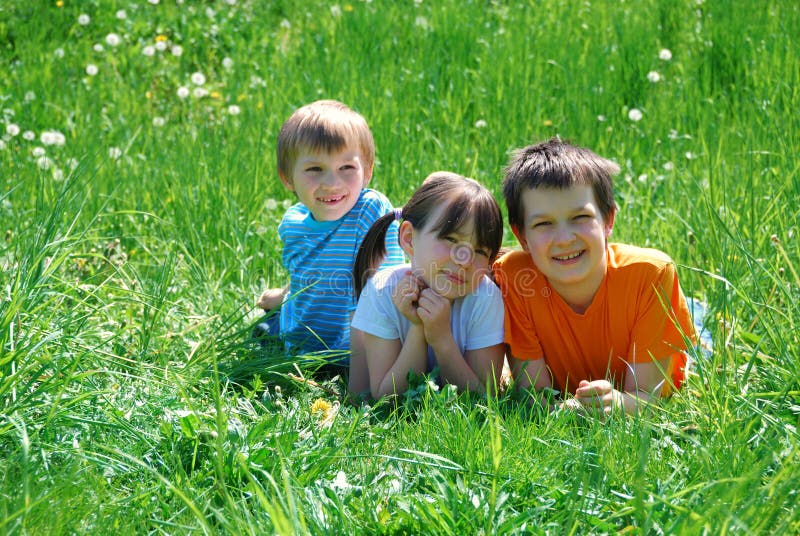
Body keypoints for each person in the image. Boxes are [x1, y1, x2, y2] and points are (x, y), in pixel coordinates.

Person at [493, 138, 696, 416]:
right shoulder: (514, 278)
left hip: (666, 340)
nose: (564, 239)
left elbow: (649, 398)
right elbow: (534, 398)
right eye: (543, 223)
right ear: (522, 237)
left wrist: (618, 404)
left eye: (580, 217)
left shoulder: (651, 274)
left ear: (608, 220)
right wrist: (571, 410)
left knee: (702, 335)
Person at [254, 100, 405, 361]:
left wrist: (364, 360)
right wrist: (285, 295)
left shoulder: (369, 210)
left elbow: (382, 286)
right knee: (261, 332)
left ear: (367, 171)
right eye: (315, 169)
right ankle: (279, 315)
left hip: (356, 347)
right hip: (301, 345)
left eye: (346, 167)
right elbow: (307, 272)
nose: (332, 183)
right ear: (287, 177)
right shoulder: (292, 223)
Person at [350, 172, 506, 398]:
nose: (464, 260)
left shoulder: (485, 299)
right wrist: (418, 329)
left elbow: (484, 398)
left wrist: (442, 338)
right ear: (409, 238)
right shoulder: (381, 292)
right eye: (451, 239)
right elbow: (385, 401)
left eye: (480, 251)